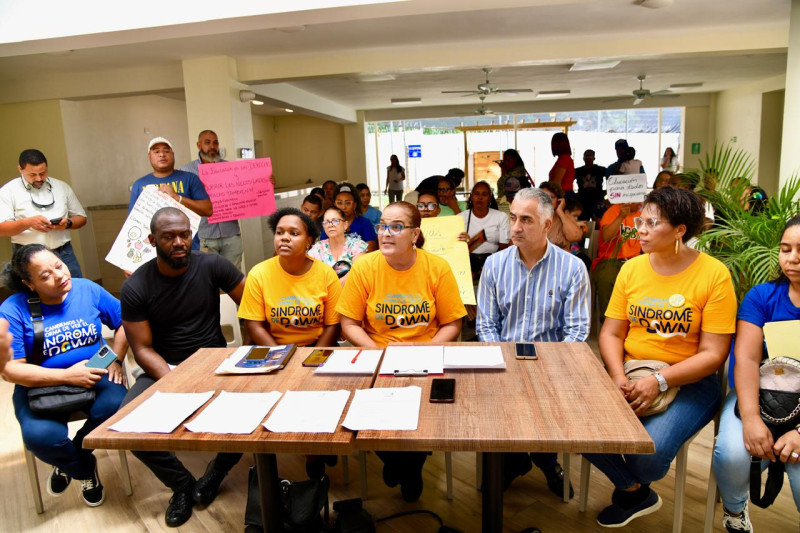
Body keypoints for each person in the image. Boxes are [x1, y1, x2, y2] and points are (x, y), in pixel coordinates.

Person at [583, 186, 736, 528]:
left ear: (680, 231)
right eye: (641, 221)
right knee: (576, 425)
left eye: (653, 223)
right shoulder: (632, 269)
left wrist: (660, 380)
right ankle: (634, 491)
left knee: (648, 458)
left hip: (690, 381)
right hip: (631, 371)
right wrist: (618, 377)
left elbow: (714, 353)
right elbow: (610, 333)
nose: (641, 229)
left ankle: (634, 482)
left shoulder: (713, 275)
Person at [120, 207, 245, 528]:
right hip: (165, 366)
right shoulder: (137, 286)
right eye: (169, 236)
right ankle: (183, 485)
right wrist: (177, 380)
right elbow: (142, 348)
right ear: (152, 240)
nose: (179, 242)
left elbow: (252, 306)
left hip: (213, 362)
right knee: (128, 425)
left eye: (184, 234)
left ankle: (215, 473)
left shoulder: (213, 264)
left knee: (250, 416)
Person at [336, 201, 466, 502]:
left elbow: (452, 323)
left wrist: (426, 352)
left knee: (430, 417)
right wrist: (378, 354)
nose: (386, 233)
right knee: (368, 415)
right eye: (383, 225)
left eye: (397, 227)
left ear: (415, 233)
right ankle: (404, 466)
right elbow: (349, 323)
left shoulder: (437, 267)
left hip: (426, 356)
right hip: (377, 356)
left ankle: (407, 465)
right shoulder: (365, 266)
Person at [476, 187, 590, 497]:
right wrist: (503, 364)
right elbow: (486, 324)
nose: (515, 227)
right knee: (500, 401)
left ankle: (544, 459)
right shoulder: (494, 266)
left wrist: (550, 370)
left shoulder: (572, 268)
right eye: (513, 218)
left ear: (547, 224)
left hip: (552, 366)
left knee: (544, 404)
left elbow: (577, 332)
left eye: (526, 220)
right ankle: (514, 461)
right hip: (503, 362)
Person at [0, 244, 128, 507]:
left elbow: (125, 321)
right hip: (39, 382)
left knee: (118, 408)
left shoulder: (87, 289)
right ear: (29, 284)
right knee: (40, 437)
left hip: (95, 369)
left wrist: (115, 356)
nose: (59, 275)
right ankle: (82, 468)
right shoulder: (13, 309)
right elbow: (11, 370)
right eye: (45, 275)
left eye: (58, 265)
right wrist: (68, 376)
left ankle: (70, 462)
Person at [712, 215, 800, 532]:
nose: (792, 259)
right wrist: (750, 418)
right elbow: (746, 359)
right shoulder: (761, 297)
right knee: (733, 454)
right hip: (761, 396)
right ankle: (735, 513)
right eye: (786, 249)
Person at [0, 149, 87, 277]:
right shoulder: (8, 191)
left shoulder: (61, 187)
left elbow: (82, 218)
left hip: (64, 253)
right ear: (20, 169)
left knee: (76, 290)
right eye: (33, 175)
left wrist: (67, 223)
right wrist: (28, 222)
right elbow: (2, 229)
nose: (39, 178)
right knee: (34, 296)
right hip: (27, 256)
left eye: (43, 173)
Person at [129, 137, 212, 251]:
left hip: (187, 250)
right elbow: (133, 223)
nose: (162, 154)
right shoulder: (139, 184)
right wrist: (128, 262)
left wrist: (177, 198)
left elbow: (208, 210)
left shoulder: (190, 178)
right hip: (152, 253)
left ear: (172, 154)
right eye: (156, 151)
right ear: (149, 156)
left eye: (166, 151)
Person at [180, 130, 242, 270]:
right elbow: (183, 203)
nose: (212, 146)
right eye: (207, 142)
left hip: (231, 233)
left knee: (234, 277)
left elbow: (248, 189)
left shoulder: (230, 168)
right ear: (199, 145)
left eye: (215, 142)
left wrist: (266, 182)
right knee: (208, 278)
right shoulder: (187, 171)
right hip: (204, 236)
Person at [592, 201, 642, 323]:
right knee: (607, 278)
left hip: (635, 261)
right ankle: (608, 323)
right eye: (637, 198)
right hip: (610, 260)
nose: (640, 202)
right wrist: (621, 216)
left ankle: (636, 322)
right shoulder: (614, 211)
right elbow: (606, 236)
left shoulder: (643, 215)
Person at [457, 181, 510, 277]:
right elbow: (454, 248)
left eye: (484, 194)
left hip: (493, 263)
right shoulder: (460, 218)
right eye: (476, 194)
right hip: (467, 265)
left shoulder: (501, 217)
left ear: (490, 198)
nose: (480, 197)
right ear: (471, 197)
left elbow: (504, 249)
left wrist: (492, 267)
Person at [309, 206, 368, 283]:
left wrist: (334, 287)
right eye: (326, 222)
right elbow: (311, 276)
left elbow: (359, 272)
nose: (330, 225)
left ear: (345, 225)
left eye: (335, 221)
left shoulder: (356, 245)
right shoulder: (318, 248)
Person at [320, 183, 377, 251]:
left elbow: (370, 250)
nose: (343, 207)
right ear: (334, 204)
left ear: (354, 205)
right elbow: (323, 251)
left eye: (348, 203)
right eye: (339, 203)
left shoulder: (365, 223)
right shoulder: (329, 225)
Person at [540, 181, 584, 252]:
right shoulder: (531, 219)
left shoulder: (565, 219)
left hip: (561, 261)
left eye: (552, 197)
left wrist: (560, 211)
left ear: (559, 200)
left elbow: (575, 237)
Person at [574, 149, 607, 221]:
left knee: (599, 222)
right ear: (583, 158)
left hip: (597, 200)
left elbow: (612, 178)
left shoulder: (600, 169)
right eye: (586, 156)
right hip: (583, 201)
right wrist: (573, 194)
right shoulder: (578, 171)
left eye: (590, 156)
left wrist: (608, 191)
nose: (588, 158)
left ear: (594, 158)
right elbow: (568, 179)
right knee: (582, 223)